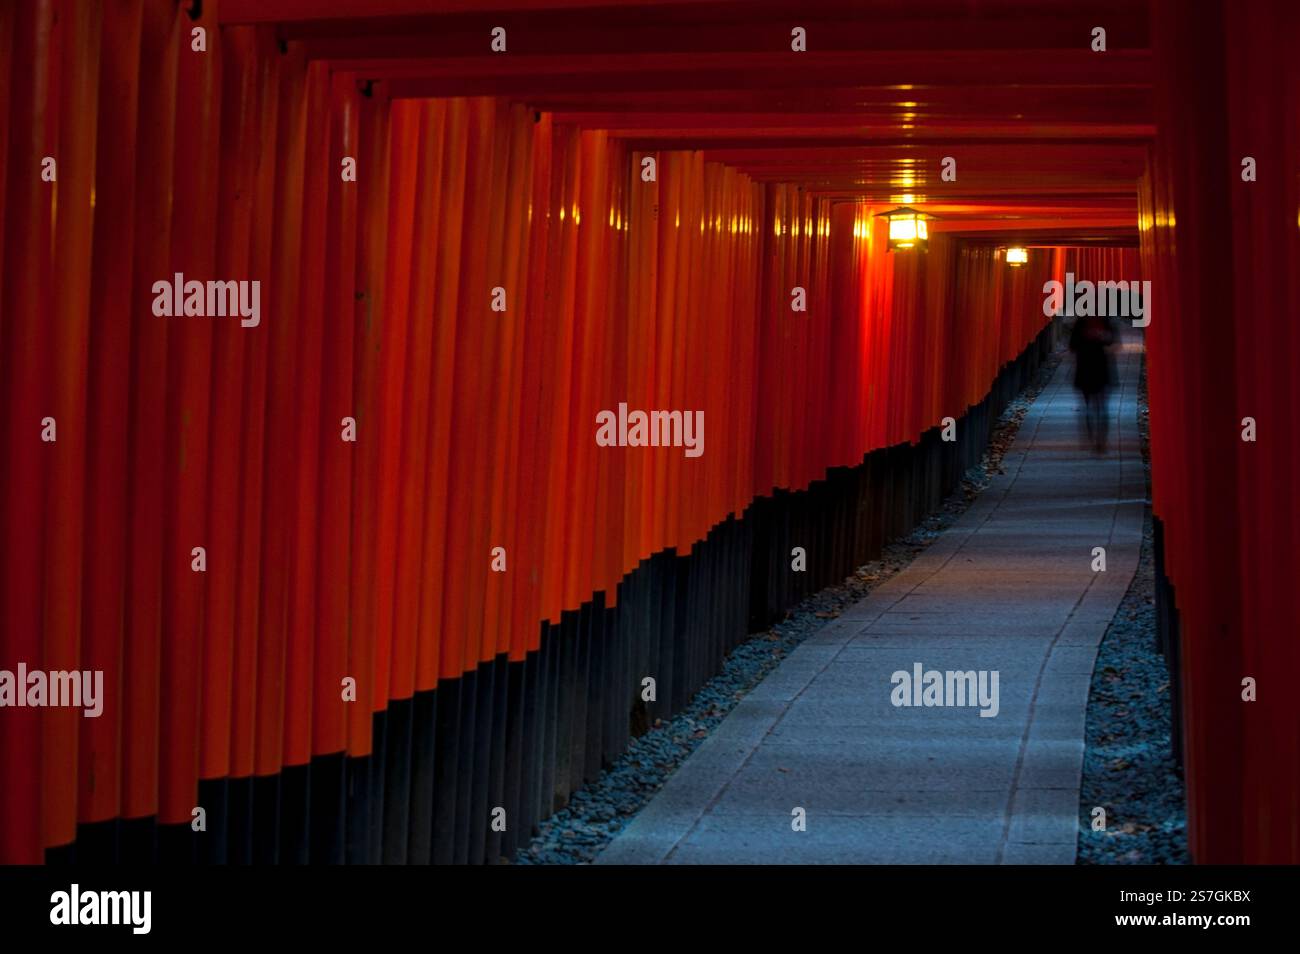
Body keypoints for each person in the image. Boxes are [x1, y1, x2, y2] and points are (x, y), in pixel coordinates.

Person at [1068, 311, 1117, 453]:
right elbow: (1073, 345)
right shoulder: (1087, 322)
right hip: (1089, 368)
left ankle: (1098, 440)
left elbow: (1112, 341)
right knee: (1091, 406)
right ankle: (1092, 438)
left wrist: (1101, 338)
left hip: (1095, 368)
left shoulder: (1098, 321)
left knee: (1098, 406)